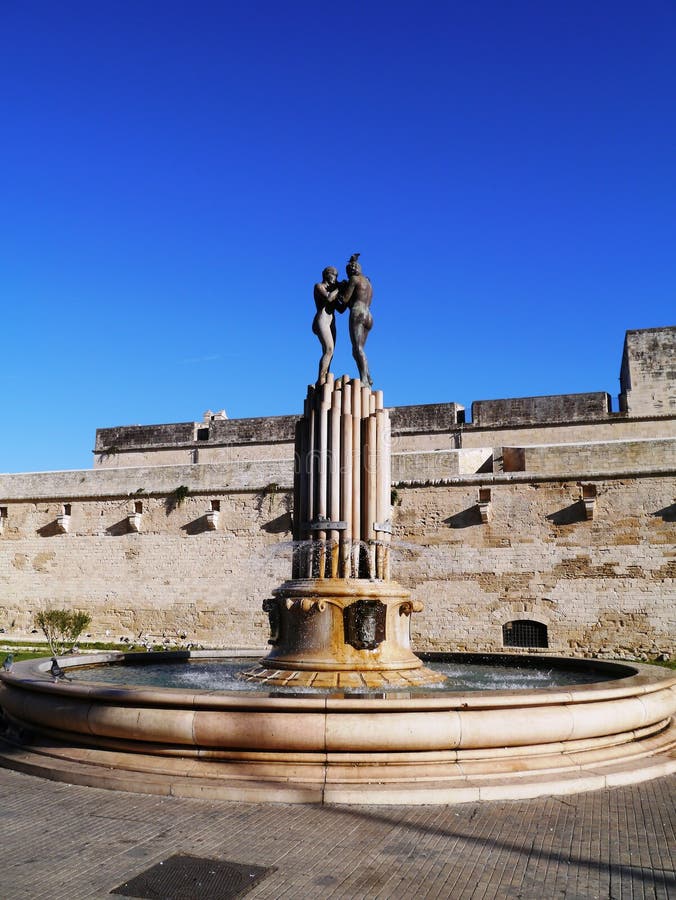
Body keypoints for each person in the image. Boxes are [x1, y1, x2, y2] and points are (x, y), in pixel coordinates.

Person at [339, 253, 373, 387]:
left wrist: (341, 289)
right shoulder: (368, 283)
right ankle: (368, 376)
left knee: (357, 348)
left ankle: (364, 379)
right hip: (368, 315)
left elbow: (345, 300)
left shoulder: (354, 279)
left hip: (357, 313)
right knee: (358, 350)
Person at [312, 266, 341, 383]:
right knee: (329, 349)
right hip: (322, 319)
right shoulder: (319, 286)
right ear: (326, 274)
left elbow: (341, 309)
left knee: (330, 352)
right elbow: (328, 298)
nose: (335, 278)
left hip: (332, 321)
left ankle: (326, 378)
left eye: (336, 276)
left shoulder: (333, 291)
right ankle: (321, 379)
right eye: (333, 274)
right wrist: (338, 289)